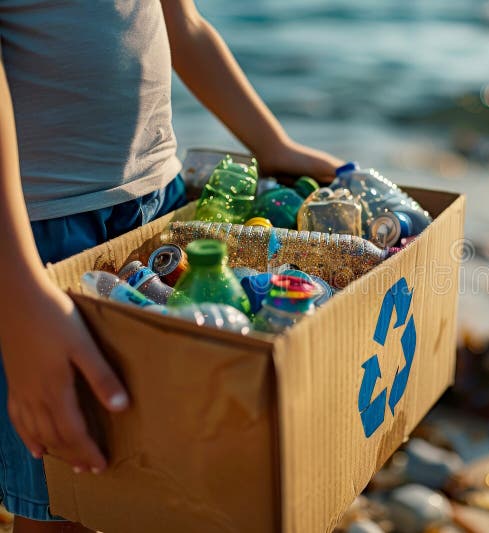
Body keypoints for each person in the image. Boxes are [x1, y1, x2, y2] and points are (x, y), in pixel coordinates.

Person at [0, 1, 343, 530]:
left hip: (160, 204)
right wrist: (21, 295)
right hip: (37, 233)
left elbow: (183, 23)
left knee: (163, 466)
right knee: (70, 491)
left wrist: (273, 144)